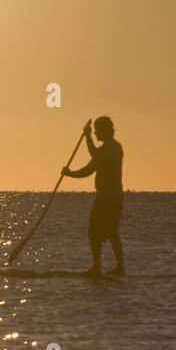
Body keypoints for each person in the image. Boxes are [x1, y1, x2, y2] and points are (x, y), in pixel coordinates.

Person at [62, 116, 125, 277]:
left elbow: (95, 160)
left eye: (97, 131)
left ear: (105, 131)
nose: (96, 134)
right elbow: (88, 169)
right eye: (95, 131)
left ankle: (106, 268)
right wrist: (70, 174)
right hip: (105, 198)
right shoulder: (104, 150)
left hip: (111, 199)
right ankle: (104, 267)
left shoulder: (113, 149)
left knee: (104, 232)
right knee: (104, 232)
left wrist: (88, 138)